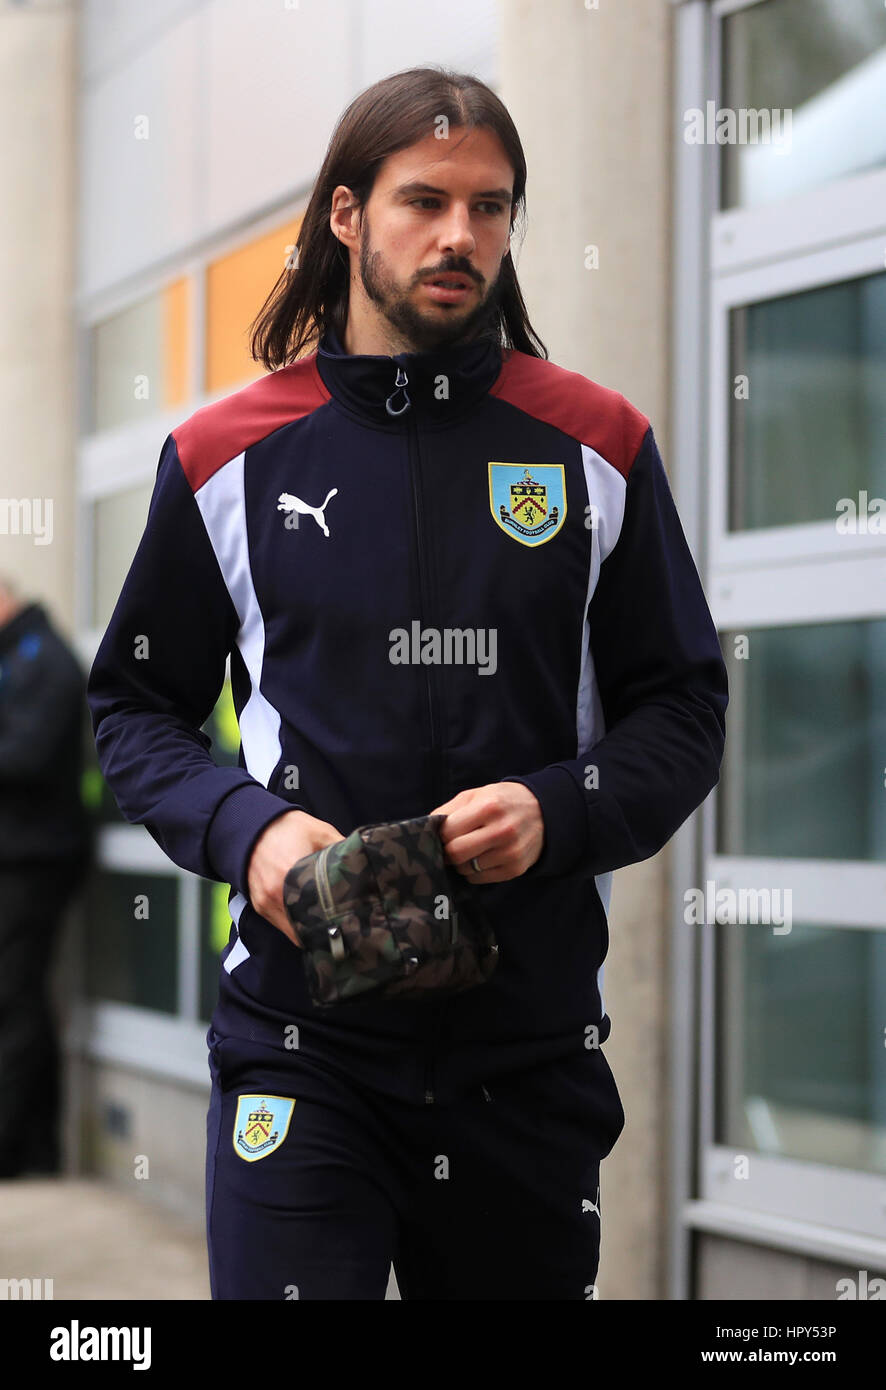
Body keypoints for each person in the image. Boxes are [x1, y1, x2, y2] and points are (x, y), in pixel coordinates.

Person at [86, 66, 728, 1300]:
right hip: (298, 1045)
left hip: (525, 1059)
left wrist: (563, 807)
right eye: (424, 201)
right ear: (344, 217)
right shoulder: (222, 454)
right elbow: (134, 706)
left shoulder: (598, 446)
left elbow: (684, 708)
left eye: (491, 208)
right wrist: (249, 831)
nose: (459, 237)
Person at [0, 574, 92, 1177]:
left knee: (13, 1000)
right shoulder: (18, 655)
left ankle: (14, 1149)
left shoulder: (45, 658)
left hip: (34, 861)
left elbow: (26, 757)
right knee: (21, 997)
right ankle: (36, 1151)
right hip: (21, 857)